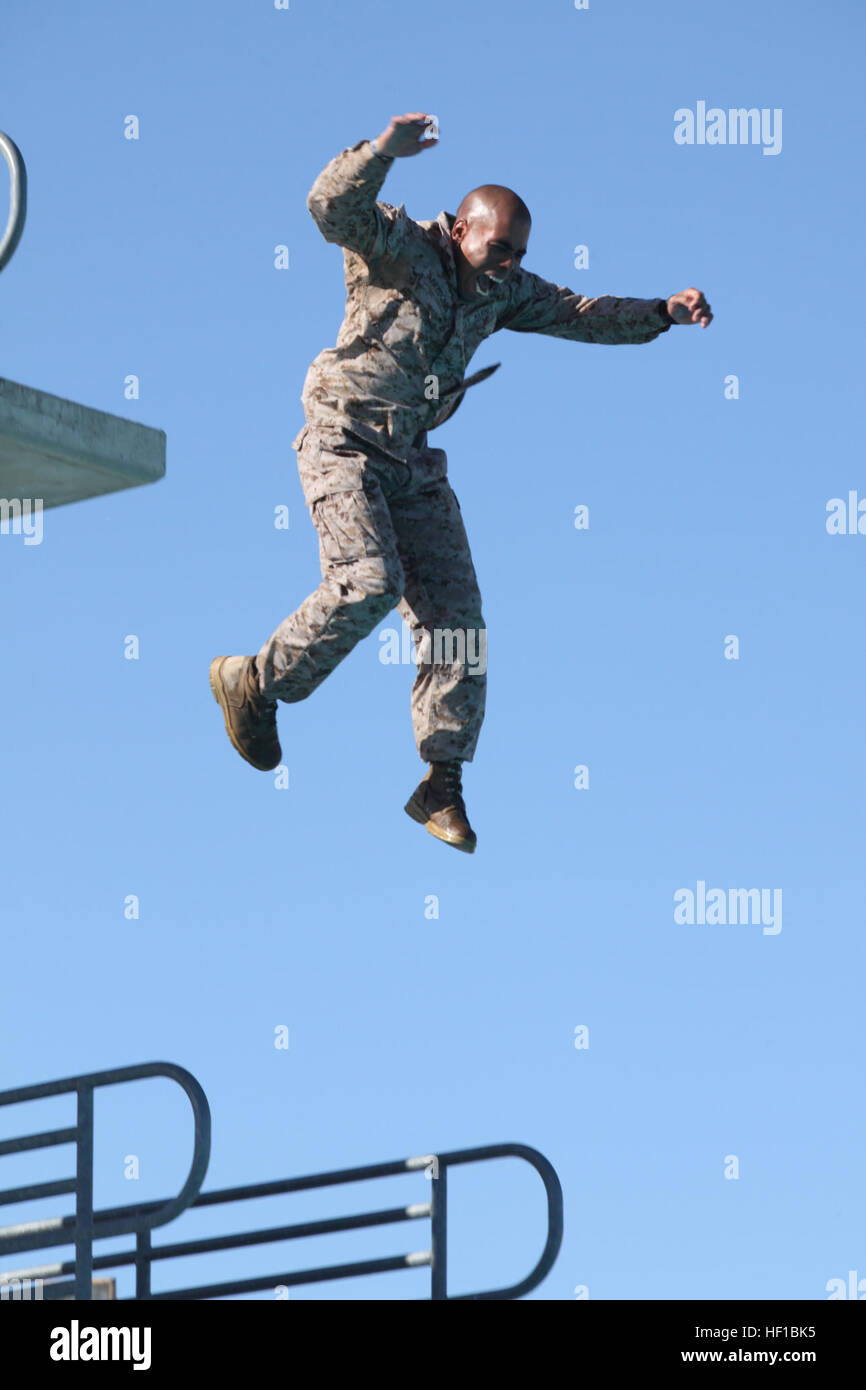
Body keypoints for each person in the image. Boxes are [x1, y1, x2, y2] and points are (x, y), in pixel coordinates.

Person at [210, 112, 713, 854]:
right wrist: (380, 154)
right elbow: (327, 208)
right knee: (370, 580)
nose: (508, 266)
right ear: (462, 230)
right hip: (343, 439)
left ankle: (439, 784)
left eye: (519, 256)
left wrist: (661, 314)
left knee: (461, 625)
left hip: (410, 462)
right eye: (498, 249)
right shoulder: (398, 247)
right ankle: (254, 680)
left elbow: (580, 313)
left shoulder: (502, 295)